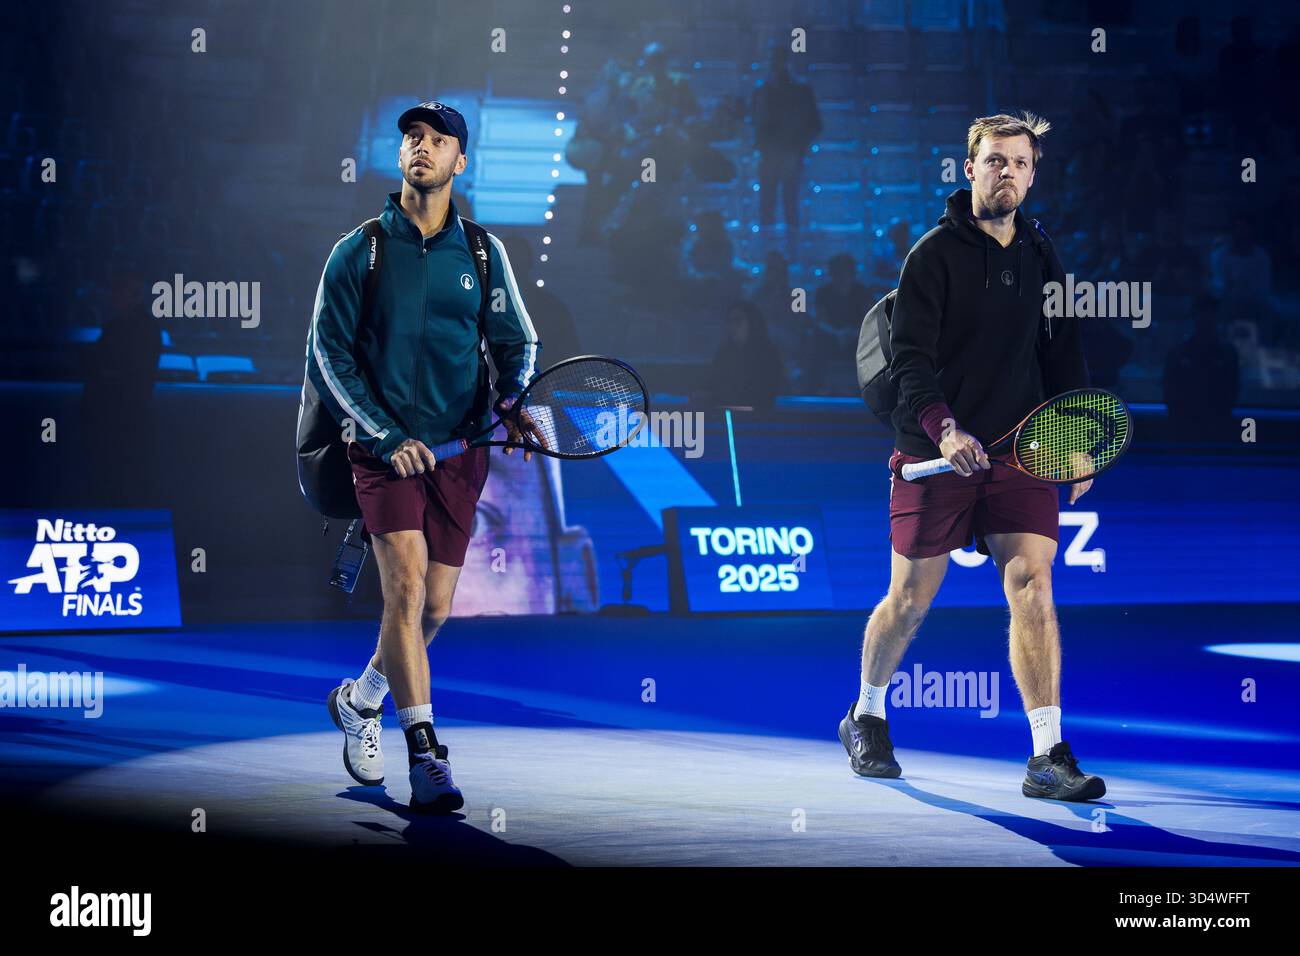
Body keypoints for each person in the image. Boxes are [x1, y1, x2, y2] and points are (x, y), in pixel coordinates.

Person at [839, 113, 1106, 801]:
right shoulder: (932, 256)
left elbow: (1060, 352)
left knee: (1033, 585)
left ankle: (1047, 755)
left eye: (1019, 162)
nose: (1006, 172)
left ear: (1033, 172)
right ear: (970, 169)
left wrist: (1073, 442)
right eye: (994, 160)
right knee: (909, 600)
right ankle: (866, 714)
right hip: (934, 451)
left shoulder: (1043, 255)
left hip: (1018, 451)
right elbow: (910, 363)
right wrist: (945, 428)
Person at [308, 101, 541, 813]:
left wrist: (510, 399)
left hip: (459, 451)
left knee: (434, 608)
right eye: (413, 137)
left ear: (459, 162)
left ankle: (360, 699)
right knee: (404, 593)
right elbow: (329, 353)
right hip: (382, 452)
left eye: (439, 140)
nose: (423, 147)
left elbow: (517, 343)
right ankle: (426, 753)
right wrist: (382, 435)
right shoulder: (359, 250)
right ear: (401, 153)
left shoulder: (482, 253)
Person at [751, 45, 821, 239]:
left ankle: (792, 250)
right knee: (768, 204)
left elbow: (814, 125)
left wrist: (798, 147)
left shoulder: (801, 91)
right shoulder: (762, 90)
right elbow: (755, 122)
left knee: (790, 203)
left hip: (790, 155)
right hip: (770, 156)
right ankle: (768, 250)